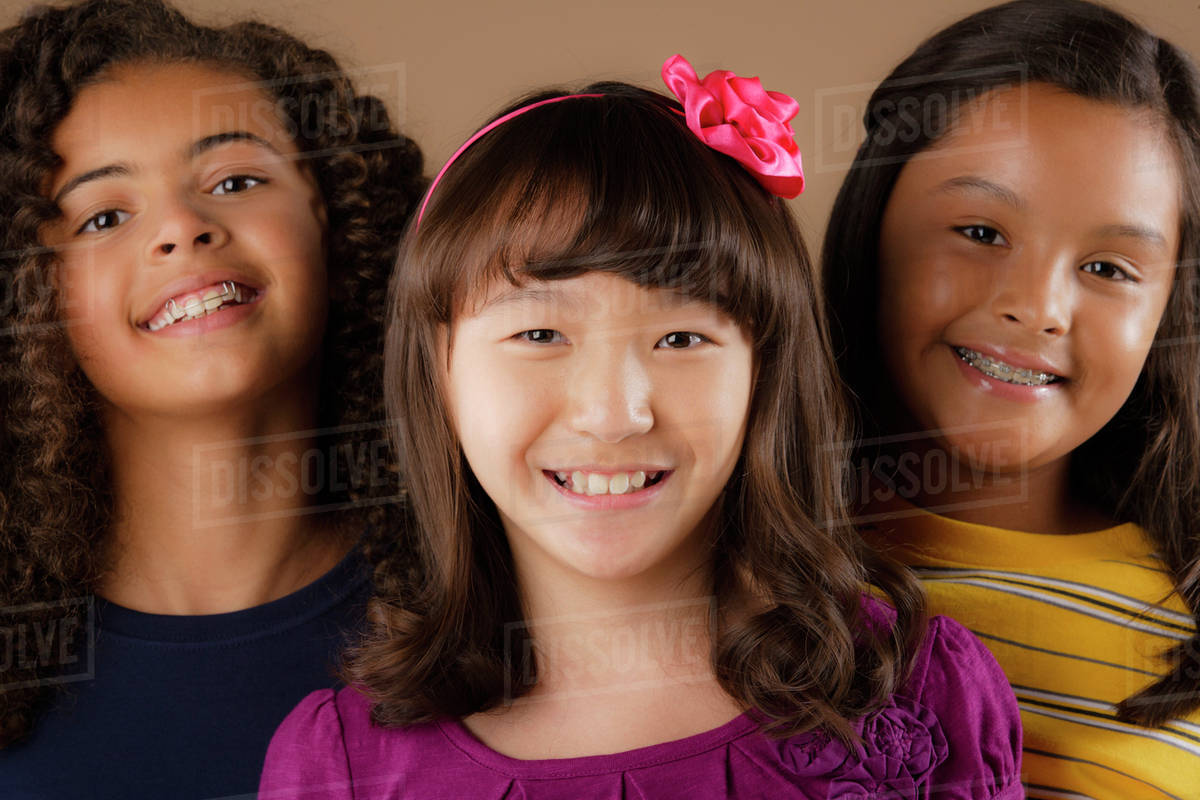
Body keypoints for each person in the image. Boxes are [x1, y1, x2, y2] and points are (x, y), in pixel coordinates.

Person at [260, 56, 1023, 799]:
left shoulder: (920, 688)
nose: (613, 414)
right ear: (438, 371)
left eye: (682, 339)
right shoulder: (342, 764)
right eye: (539, 336)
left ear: (766, 372)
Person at [0, 1, 424, 798]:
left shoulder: (485, 607)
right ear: (25, 295)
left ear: (332, 217)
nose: (182, 228)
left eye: (235, 179)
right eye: (105, 215)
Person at [821, 1, 1200, 796]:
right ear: (872, 223)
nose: (1038, 307)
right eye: (982, 233)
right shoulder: (743, 560)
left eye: (1109, 269)